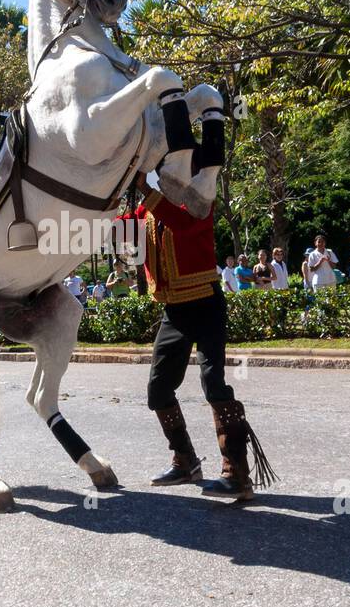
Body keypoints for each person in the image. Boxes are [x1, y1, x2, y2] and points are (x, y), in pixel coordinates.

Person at [118, 172, 276, 499]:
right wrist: (112, 200)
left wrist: (144, 191)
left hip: (205, 302)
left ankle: (237, 473)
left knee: (213, 383)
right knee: (157, 390)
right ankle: (185, 460)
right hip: (173, 311)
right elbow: (127, 250)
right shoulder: (144, 210)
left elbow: (183, 224)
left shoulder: (197, 197)